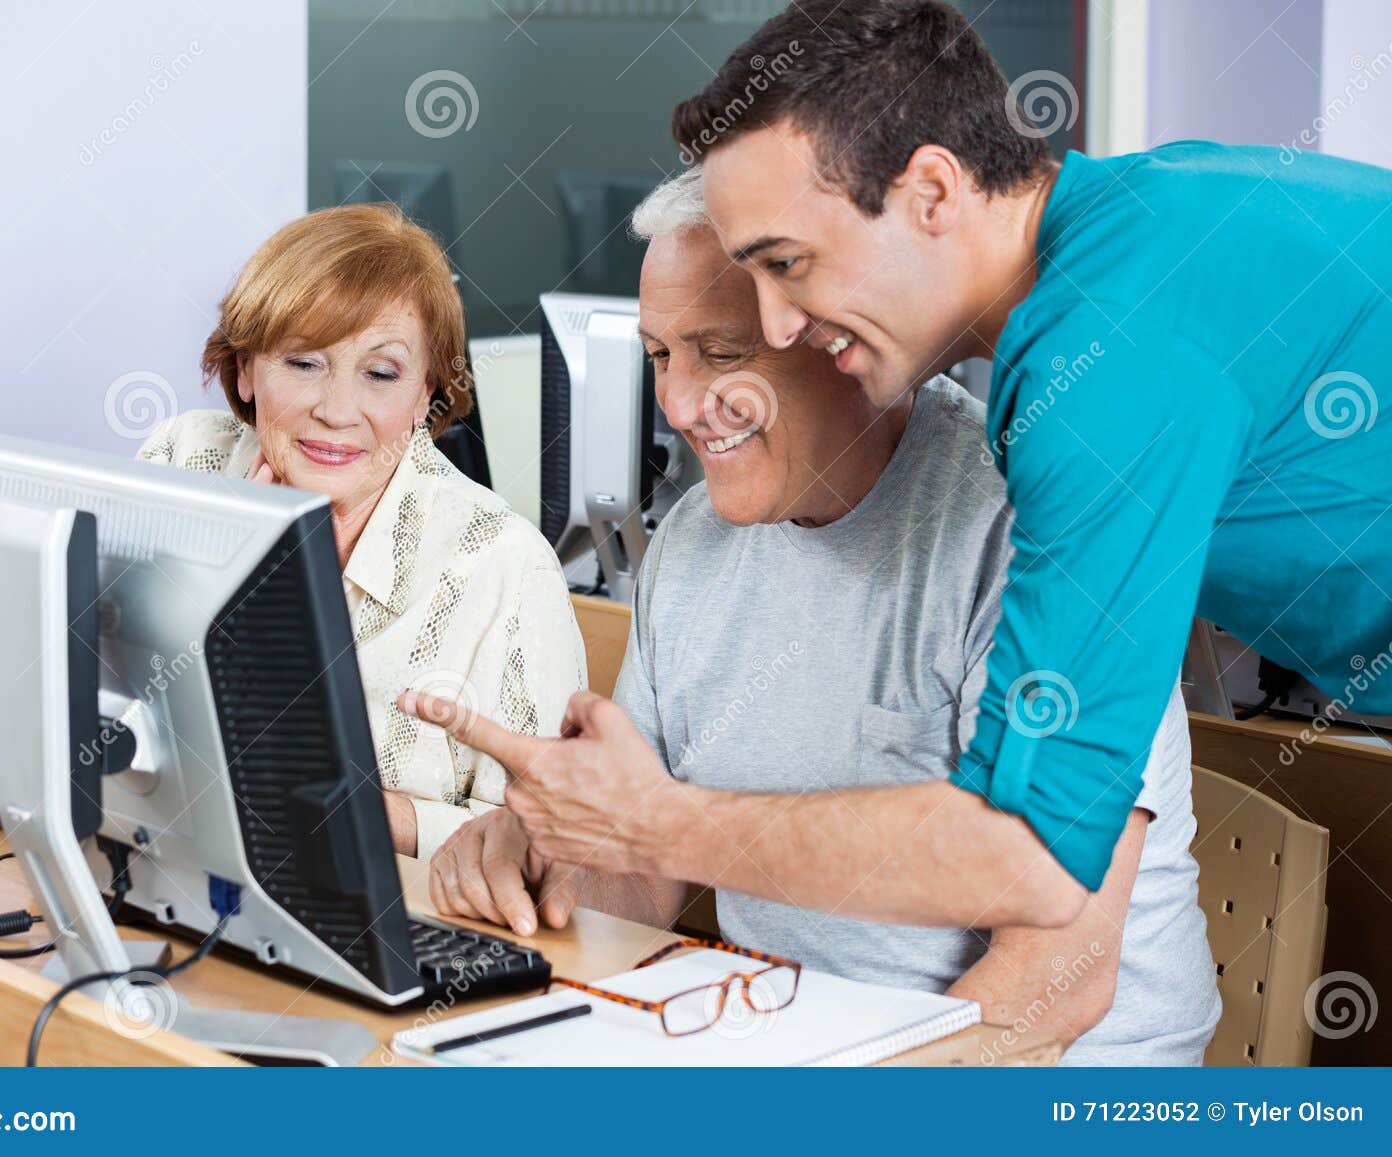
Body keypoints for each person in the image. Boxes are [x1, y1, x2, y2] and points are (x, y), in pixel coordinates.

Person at [413, 0, 1392, 928]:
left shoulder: (1100, 364)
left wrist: (654, 819)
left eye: (788, 264)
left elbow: (1035, 857)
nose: (777, 324)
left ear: (930, 190)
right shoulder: (1135, 222)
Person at [414, 170, 1219, 1063]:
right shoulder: (689, 546)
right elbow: (639, 879)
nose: (678, 405)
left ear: (832, 334)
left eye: (719, 352)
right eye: (658, 356)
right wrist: (535, 853)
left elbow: (1056, 980)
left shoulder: (1035, 535)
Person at [138, 203, 585, 859]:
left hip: (401, 925)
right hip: (174, 870)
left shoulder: (504, 565)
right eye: (303, 362)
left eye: (380, 373)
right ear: (244, 368)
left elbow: (549, 843)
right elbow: (104, 708)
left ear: (425, 389)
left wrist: (369, 816)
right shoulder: (184, 463)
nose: (338, 410)